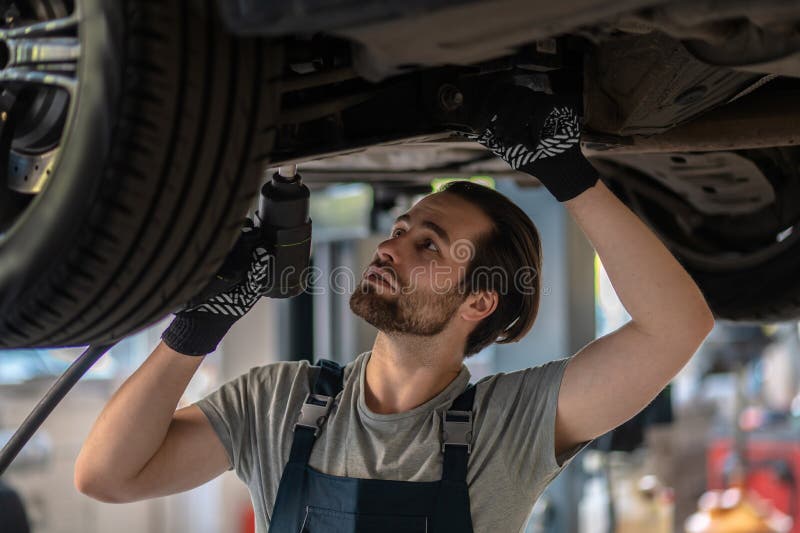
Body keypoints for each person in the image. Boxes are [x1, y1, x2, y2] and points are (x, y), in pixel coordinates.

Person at [74, 85, 714, 533]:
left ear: (480, 300)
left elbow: (677, 328)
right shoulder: (282, 403)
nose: (390, 246)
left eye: (427, 243)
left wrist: (563, 169)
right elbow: (107, 477)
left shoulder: (510, 427)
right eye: (401, 229)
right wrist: (197, 328)